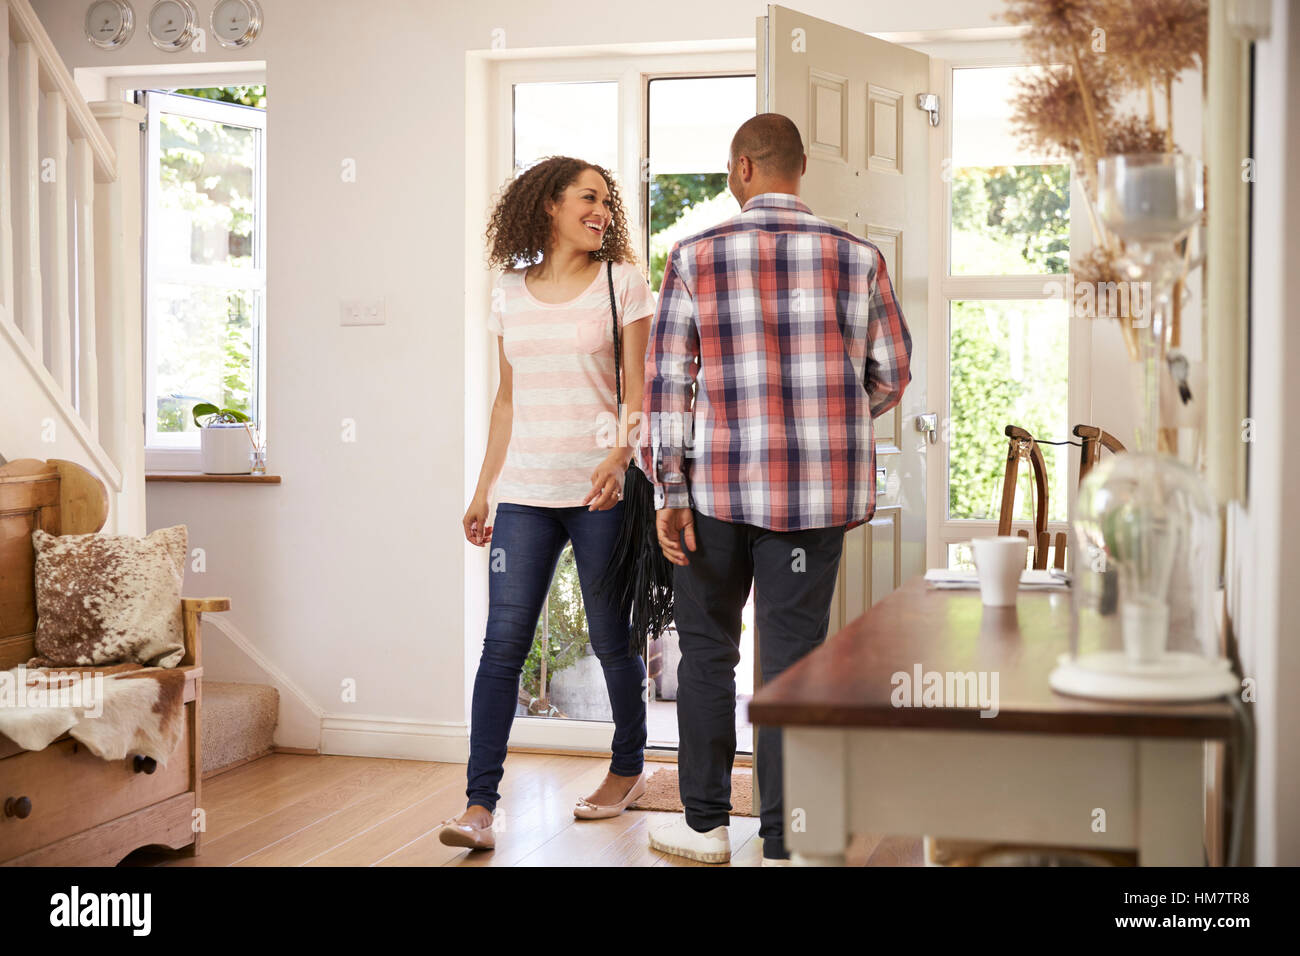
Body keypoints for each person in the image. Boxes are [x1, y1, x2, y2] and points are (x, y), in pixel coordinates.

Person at [641, 113, 912, 865]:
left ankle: (704, 828)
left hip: (712, 496)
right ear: (800, 170)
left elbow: (668, 387)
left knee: (706, 652)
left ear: (741, 169)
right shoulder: (858, 258)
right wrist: (828, 416)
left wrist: (669, 489)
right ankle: (784, 839)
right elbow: (891, 372)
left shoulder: (695, 256)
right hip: (812, 501)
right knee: (792, 663)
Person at [444, 156, 656, 852]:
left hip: (600, 491)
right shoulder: (508, 291)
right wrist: (484, 489)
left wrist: (620, 456)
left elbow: (638, 393)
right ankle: (479, 806)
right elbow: (507, 400)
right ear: (548, 206)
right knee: (501, 646)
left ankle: (626, 767)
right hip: (524, 495)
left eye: (607, 201)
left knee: (610, 639)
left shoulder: (623, 283)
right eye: (587, 198)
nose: (602, 210)